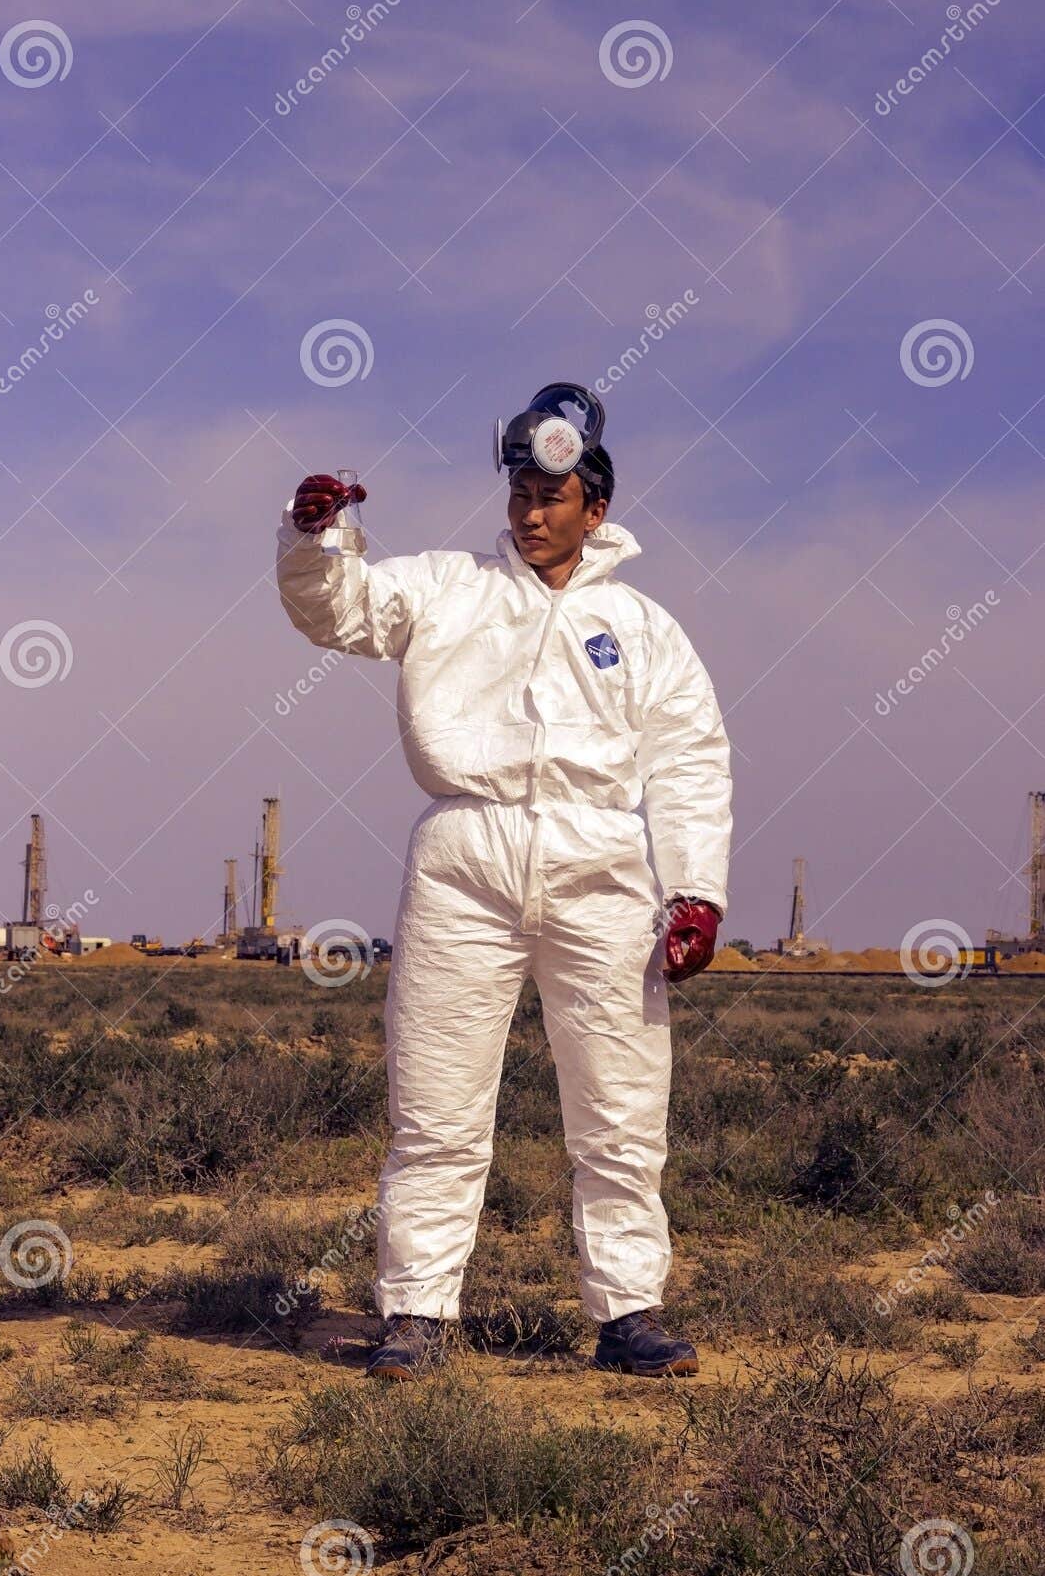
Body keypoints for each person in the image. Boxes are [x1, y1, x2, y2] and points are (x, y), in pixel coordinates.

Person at [276, 383, 732, 1380]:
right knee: (435, 1106)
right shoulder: (447, 587)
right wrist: (316, 538)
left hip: (602, 866)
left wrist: (696, 891)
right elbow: (338, 613)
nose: (529, 512)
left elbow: (693, 759)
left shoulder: (642, 627)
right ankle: (416, 1313)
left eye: (552, 496)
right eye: (520, 492)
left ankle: (627, 1314)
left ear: (595, 507)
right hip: (463, 861)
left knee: (618, 1104)